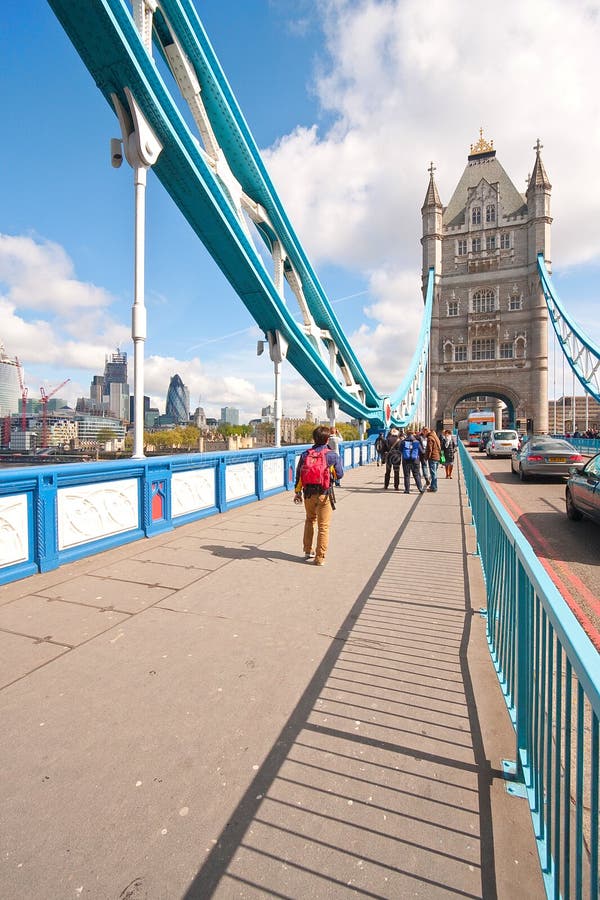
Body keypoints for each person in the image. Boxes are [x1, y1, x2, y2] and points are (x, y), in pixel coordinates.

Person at [294, 425, 343, 566]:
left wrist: (297, 492)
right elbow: (340, 474)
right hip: (324, 494)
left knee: (310, 520)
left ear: (314, 438)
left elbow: (299, 475)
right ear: (327, 439)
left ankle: (307, 550)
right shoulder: (332, 455)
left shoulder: (305, 454)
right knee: (323, 526)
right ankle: (320, 558)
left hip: (308, 494)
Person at [421, 427, 442, 492]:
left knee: (433, 473)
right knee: (434, 473)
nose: (423, 434)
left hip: (433, 457)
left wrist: (426, 458)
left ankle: (434, 487)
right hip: (437, 457)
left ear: (425, 431)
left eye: (423, 432)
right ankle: (433, 485)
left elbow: (429, 449)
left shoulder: (430, 438)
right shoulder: (435, 436)